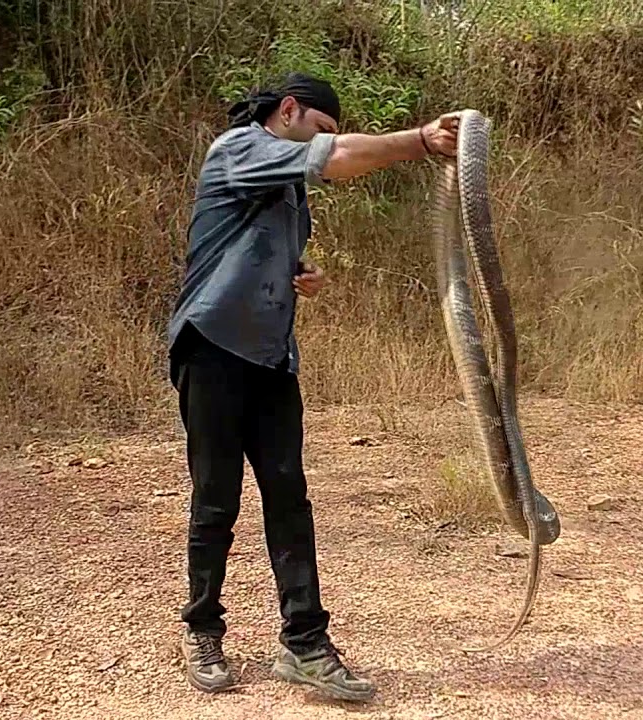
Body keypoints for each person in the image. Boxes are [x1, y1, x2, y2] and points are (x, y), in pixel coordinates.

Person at [165, 71, 461, 701]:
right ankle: (202, 629)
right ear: (290, 111)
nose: (326, 140)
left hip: (271, 358)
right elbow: (340, 156)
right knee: (216, 498)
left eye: (328, 132)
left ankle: (304, 644)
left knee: (289, 498)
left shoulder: (289, 192)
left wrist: (303, 274)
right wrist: (421, 141)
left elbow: (263, 247)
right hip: (211, 346)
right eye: (320, 128)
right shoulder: (237, 148)